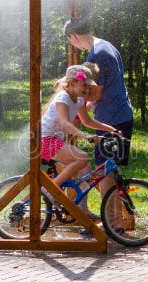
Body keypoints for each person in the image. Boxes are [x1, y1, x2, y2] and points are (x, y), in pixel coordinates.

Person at [64, 18, 134, 231]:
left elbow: (94, 92)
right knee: (110, 172)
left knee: (105, 173)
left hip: (110, 118)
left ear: (74, 36)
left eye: (70, 42)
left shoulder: (97, 55)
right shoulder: (105, 45)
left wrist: (74, 103)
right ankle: (121, 221)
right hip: (119, 114)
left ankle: (112, 224)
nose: (73, 46)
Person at [41, 64, 119, 219]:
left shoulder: (78, 100)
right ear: (71, 83)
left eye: (88, 85)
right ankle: (50, 192)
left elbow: (87, 121)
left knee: (86, 167)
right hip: (44, 140)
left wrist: (111, 129)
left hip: (55, 140)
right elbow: (64, 123)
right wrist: (86, 136)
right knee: (82, 157)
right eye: (84, 84)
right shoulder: (62, 97)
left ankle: (82, 210)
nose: (87, 88)